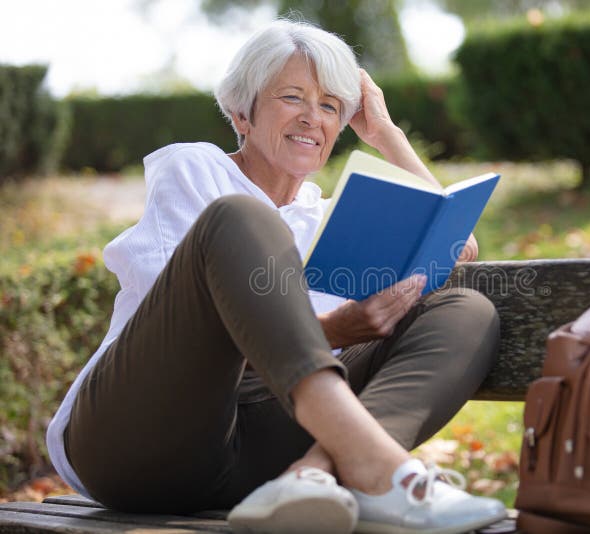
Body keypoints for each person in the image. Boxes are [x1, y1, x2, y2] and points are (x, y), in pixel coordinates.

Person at [46, 19, 504, 534]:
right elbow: (183, 337)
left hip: (256, 459)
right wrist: (332, 331)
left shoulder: (331, 217)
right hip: (139, 440)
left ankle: (315, 474)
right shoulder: (198, 172)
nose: (313, 118)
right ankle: (382, 471)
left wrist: (386, 135)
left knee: (467, 311)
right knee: (241, 217)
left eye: (330, 106)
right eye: (292, 97)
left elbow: (460, 244)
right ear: (242, 113)